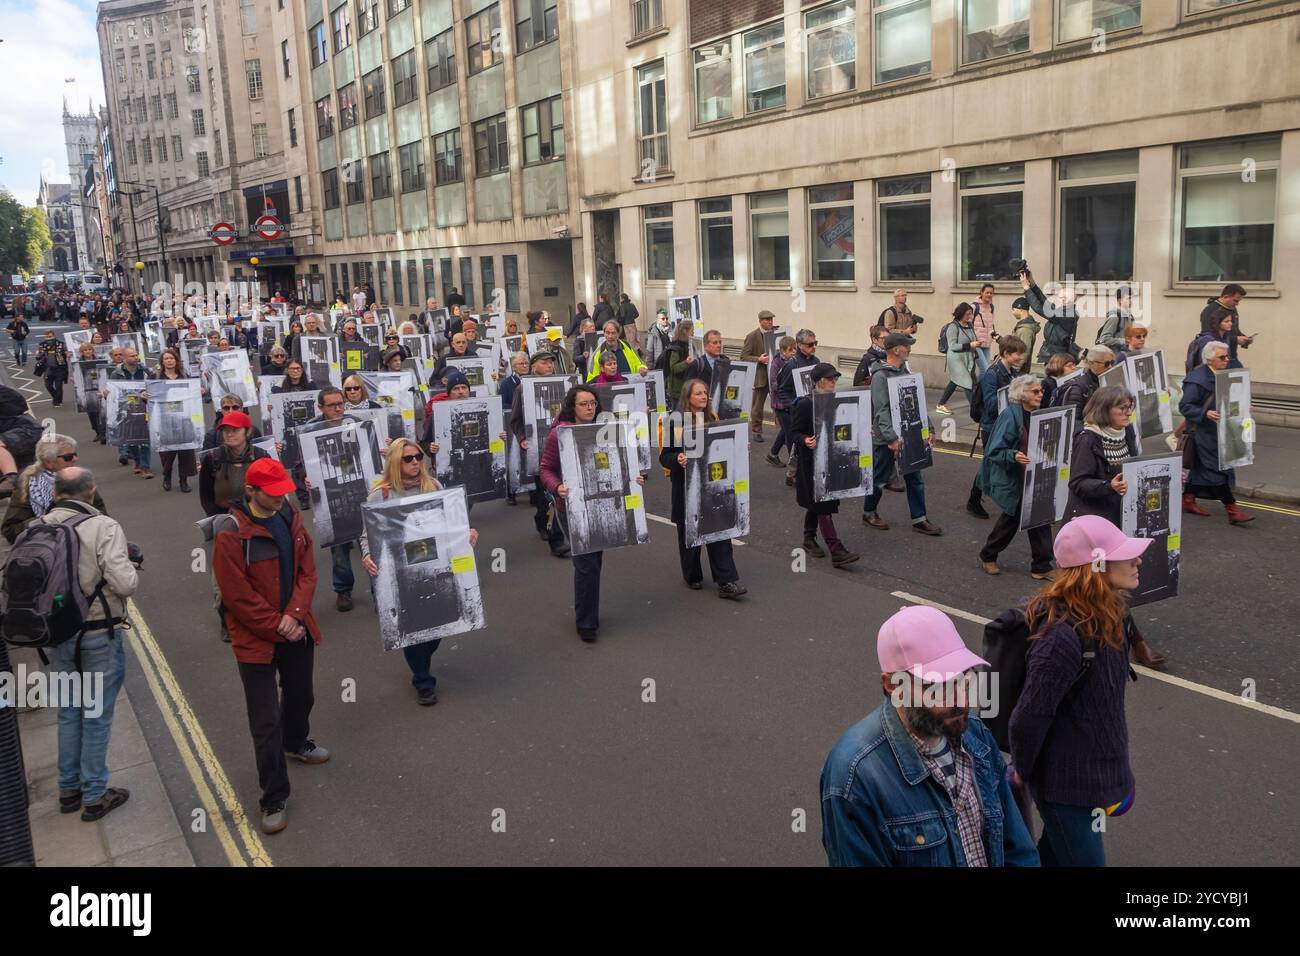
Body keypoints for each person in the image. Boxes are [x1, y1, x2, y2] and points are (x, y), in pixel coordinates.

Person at [820, 605, 1039, 867]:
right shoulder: (855, 775)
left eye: (963, 678)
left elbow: (1017, 848)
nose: (961, 699)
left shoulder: (976, 734)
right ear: (893, 685)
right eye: (937, 686)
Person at [1010, 516, 1151, 867]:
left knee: (1053, 856)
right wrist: (1022, 771)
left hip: (1098, 775)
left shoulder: (1111, 615)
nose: (1138, 560)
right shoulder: (1061, 638)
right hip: (1066, 787)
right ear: (1096, 566)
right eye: (1126, 555)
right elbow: (1029, 717)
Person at [214, 458, 327, 835]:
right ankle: (273, 797)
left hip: (295, 627)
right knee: (265, 723)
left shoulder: (289, 513)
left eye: (283, 492)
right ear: (250, 491)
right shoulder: (231, 533)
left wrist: (295, 614)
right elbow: (237, 595)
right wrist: (278, 624)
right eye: (272, 493)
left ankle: (297, 742)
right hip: (257, 640)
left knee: (301, 696)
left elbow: (308, 570)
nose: (280, 499)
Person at [31, 468, 140, 822]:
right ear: (90, 491)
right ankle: (94, 795)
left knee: (69, 711)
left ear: (58, 493)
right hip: (96, 632)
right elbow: (125, 584)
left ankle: (68, 790)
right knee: (95, 716)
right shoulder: (102, 527)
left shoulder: (37, 529)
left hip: (57, 636)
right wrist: (134, 567)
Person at [360, 438, 479, 705]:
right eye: (408, 458)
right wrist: (367, 554)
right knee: (414, 628)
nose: (415, 462)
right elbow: (367, 535)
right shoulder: (381, 495)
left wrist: (467, 533)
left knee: (436, 629)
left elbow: (453, 522)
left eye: (418, 457)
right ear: (394, 462)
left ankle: (423, 659)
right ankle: (423, 680)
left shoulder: (434, 485)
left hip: (435, 565)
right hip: (403, 572)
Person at [539, 385, 647, 641]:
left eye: (592, 403)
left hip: (603, 505)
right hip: (573, 508)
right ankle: (586, 623)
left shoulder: (608, 429)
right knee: (586, 564)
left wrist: (634, 478)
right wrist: (558, 487)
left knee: (594, 563)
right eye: (584, 404)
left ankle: (587, 610)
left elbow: (621, 463)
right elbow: (545, 469)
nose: (590, 408)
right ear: (571, 407)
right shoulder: (560, 434)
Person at [661, 379, 748, 597]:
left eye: (706, 393)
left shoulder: (713, 418)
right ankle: (692, 575)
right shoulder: (675, 421)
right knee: (690, 534)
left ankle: (726, 581)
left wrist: (739, 447)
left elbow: (722, 448)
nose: (704, 397)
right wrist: (677, 458)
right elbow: (665, 457)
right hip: (687, 486)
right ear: (687, 396)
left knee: (719, 531)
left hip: (713, 485)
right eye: (699, 393)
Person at [976, 375, 1057, 579]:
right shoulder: (1010, 415)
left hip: (1035, 476)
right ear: (1022, 395)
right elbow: (994, 451)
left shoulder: (1038, 413)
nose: (1041, 394)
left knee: (1039, 518)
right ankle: (988, 555)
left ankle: (1042, 566)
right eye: (1035, 391)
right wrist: (1013, 455)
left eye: (1041, 391)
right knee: (1011, 521)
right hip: (1016, 477)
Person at [863, 334, 942, 536]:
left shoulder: (905, 371)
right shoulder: (880, 377)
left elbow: (917, 403)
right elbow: (881, 410)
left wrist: (929, 428)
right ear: (897, 350)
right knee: (880, 479)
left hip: (909, 434)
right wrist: (891, 438)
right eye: (907, 346)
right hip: (886, 438)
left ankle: (919, 519)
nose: (910, 348)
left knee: (915, 477)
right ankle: (869, 512)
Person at [791, 364, 860, 567]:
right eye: (830, 379)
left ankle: (808, 538)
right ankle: (836, 550)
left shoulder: (834, 401)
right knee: (823, 505)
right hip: (811, 464)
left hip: (831, 460)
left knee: (818, 503)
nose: (834, 382)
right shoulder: (805, 404)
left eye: (835, 379)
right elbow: (793, 432)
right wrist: (805, 440)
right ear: (820, 380)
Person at [1179, 340, 1254, 525]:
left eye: (1227, 356)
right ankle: (1232, 510)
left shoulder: (1224, 375)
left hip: (1222, 432)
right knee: (1218, 470)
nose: (1226, 360)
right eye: (1222, 357)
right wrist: (1204, 413)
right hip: (1204, 434)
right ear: (1209, 359)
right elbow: (1185, 406)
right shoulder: (1197, 379)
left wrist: (1244, 406)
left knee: (1201, 470)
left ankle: (1188, 500)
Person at [509, 351, 569, 555]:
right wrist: (522, 439)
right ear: (534, 366)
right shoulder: (522, 389)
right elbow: (515, 419)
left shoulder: (563, 385)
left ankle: (546, 523)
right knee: (546, 496)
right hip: (538, 450)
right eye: (544, 363)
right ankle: (555, 538)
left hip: (562, 447)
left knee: (559, 493)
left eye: (551, 362)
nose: (550, 366)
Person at [1, 435, 106, 543]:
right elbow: (10, 530)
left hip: (87, 542)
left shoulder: (80, 478)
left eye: (75, 454)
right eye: (68, 457)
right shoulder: (28, 486)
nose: (75, 459)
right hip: (50, 549)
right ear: (48, 462)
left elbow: (103, 516)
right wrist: (47, 521)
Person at [967, 335, 1027, 519]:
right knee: (990, 463)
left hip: (1007, 424)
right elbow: (991, 404)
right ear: (1006, 353)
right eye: (1018, 354)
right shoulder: (991, 374)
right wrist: (1013, 393)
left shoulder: (1012, 373)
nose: (1021, 358)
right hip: (991, 427)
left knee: (993, 463)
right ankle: (974, 501)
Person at [199, 410, 270, 517]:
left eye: (235, 430)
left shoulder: (261, 456)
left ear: (248, 431)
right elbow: (206, 497)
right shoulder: (212, 458)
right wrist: (217, 518)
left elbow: (270, 491)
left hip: (257, 518)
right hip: (223, 518)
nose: (229, 434)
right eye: (225, 430)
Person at [155, 348, 197, 492]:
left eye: (171, 358)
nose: (169, 361)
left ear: (176, 360)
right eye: (166, 358)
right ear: (162, 362)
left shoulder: (185, 376)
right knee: (167, 452)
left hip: (184, 418)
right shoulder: (157, 378)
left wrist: (200, 392)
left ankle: (183, 480)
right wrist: (145, 396)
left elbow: (194, 394)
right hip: (165, 420)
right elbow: (151, 398)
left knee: (185, 450)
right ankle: (167, 476)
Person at [109, 348, 154, 478]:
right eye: (132, 356)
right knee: (131, 439)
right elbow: (114, 392)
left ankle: (146, 468)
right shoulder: (116, 373)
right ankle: (138, 461)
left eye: (136, 355)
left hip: (144, 407)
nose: (136, 358)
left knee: (145, 439)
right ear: (124, 358)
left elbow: (154, 384)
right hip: (127, 409)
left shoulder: (145, 370)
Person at [1021, 268, 1080, 364]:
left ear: (1065, 300)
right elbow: (1045, 302)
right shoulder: (1064, 311)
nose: (1056, 299)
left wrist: (1026, 289)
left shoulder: (1067, 315)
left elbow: (1038, 308)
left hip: (1058, 357)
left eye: (1059, 298)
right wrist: (1032, 284)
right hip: (1053, 354)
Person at [934, 303, 977, 415]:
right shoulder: (953, 327)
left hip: (967, 358)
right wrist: (970, 345)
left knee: (954, 381)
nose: (970, 316)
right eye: (968, 314)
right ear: (961, 314)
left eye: (971, 314)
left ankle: (941, 404)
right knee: (967, 382)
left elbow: (972, 338)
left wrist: (975, 344)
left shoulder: (970, 325)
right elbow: (952, 346)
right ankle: (976, 409)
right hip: (955, 359)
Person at [740, 310, 775, 443]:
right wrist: (758, 359)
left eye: (771, 319)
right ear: (760, 321)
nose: (770, 322)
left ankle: (782, 428)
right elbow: (743, 357)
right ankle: (756, 430)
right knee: (758, 407)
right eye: (767, 320)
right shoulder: (752, 336)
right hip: (761, 376)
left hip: (774, 376)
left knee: (779, 404)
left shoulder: (775, 335)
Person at [1198, 283, 1252, 369]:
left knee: (1241, 377)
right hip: (1218, 359)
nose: (1237, 304)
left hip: (1232, 356)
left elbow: (1235, 330)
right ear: (1226, 296)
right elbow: (1209, 336)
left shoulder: (1232, 309)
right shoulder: (1209, 310)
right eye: (1235, 301)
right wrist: (1235, 339)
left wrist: (1244, 338)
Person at [764, 336, 798, 470]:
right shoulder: (776, 364)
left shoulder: (793, 362)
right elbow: (774, 385)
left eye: (795, 348)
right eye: (791, 350)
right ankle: (793, 466)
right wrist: (788, 385)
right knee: (789, 434)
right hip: (780, 404)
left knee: (785, 430)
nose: (794, 352)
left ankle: (773, 454)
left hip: (790, 402)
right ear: (783, 350)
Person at [1051, 345, 1112, 417]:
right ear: (1092, 363)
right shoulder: (1077, 388)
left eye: (1112, 362)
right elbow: (1073, 421)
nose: (1110, 366)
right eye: (1107, 364)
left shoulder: (1105, 382)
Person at [1186, 306, 1233, 373]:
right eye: (1226, 321)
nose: (1230, 323)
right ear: (1218, 323)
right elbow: (1204, 362)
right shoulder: (1207, 340)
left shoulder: (1226, 337)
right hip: (1206, 375)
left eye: (1231, 321)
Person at [663, 322, 694, 406]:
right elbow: (673, 368)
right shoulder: (676, 348)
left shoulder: (688, 345)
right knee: (677, 415)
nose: (693, 334)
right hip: (677, 389)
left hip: (687, 386)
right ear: (685, 332)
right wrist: (686, 362)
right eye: (692, 331)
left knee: (688, 415)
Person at [36, 329, 70, 406]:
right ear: (45, 337)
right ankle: (56, 397)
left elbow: (66, 351)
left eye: (50, 336)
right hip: (48, 369)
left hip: (60, 368)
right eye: (47, 336)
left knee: (58, 386)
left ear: (54, 336)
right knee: (48, 385)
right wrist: (38, 354)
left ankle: (58, 401)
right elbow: (38, 357)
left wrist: (67, 354)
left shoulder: (60, 344)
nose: (49, 338)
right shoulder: (42, 345)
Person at [1095, 286, 1135, 351]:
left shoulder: (1130, 316)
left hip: (1125, 354)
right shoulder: (1114, 317)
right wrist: (1124, 341)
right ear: (1119, 300)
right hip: (1114, 357)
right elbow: (1104, 339)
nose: (1131, 301)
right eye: (1128, 298)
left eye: (1132, 298)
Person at [971, 283, 997, 375]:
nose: (989, 295)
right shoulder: (974, 307)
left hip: (987, 344)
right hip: (976, 344)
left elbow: (991, 324)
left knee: (987, 370)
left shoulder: (991, 307)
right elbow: (968, 323)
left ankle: (980, 389)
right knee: (984, 369)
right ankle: (980, 389)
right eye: (987, 292)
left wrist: (993, 334)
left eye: (991, 293)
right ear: (981, 293)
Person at [1009, 296, 1039, 373]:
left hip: (1019, 371)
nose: (1012, 312)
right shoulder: (1022, 326)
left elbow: (1025, 351)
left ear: (1021, 309)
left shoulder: (1025, 329)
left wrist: (1015, 369)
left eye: (1013, 310)